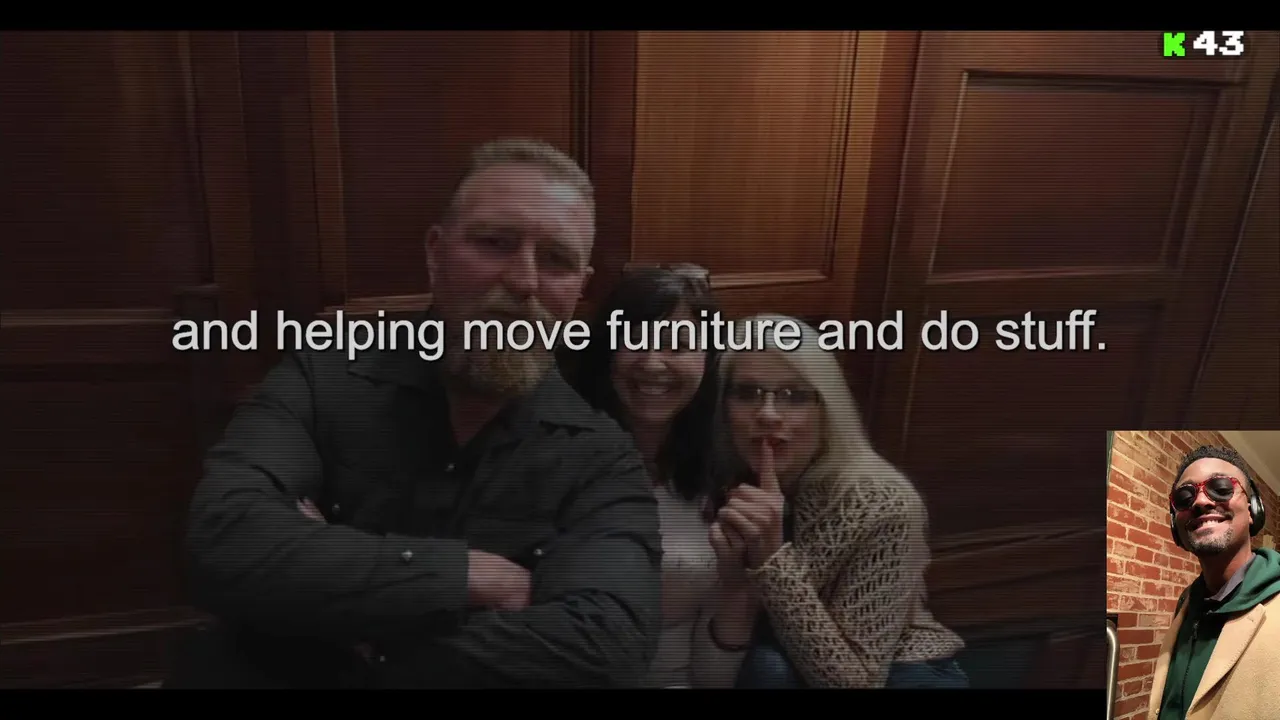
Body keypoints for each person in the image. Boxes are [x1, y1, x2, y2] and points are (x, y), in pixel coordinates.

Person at [167, 137, 664, 688]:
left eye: (557, 260)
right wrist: (472, 576)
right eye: (495, 243)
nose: (524, 281)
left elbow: (609, 647)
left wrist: (357, 630)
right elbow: (224, 543)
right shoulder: (326, 372)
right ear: (435, 252)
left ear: (579, 289)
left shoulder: (600, 456)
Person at [704, 314, 968, 689]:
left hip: (902, 671)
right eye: (747, 393)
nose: (768, 414)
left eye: (793, 396)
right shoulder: (725, 480)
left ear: (825, 409)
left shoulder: (881, 502)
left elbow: (856, 682)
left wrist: (771, 559)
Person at [571, 263, 751, 688]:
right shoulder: (561, 454)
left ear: (708, 359)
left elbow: (715, 676)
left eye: (677, 346)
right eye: (634, 340)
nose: (653, 363)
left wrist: (738, 585)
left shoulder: (729, 474)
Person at [1149, 445, 1278, 720]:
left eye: (1221, 487)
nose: (1200, 501)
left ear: (1253, 509)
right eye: (1185, 496)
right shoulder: (1187, 603)